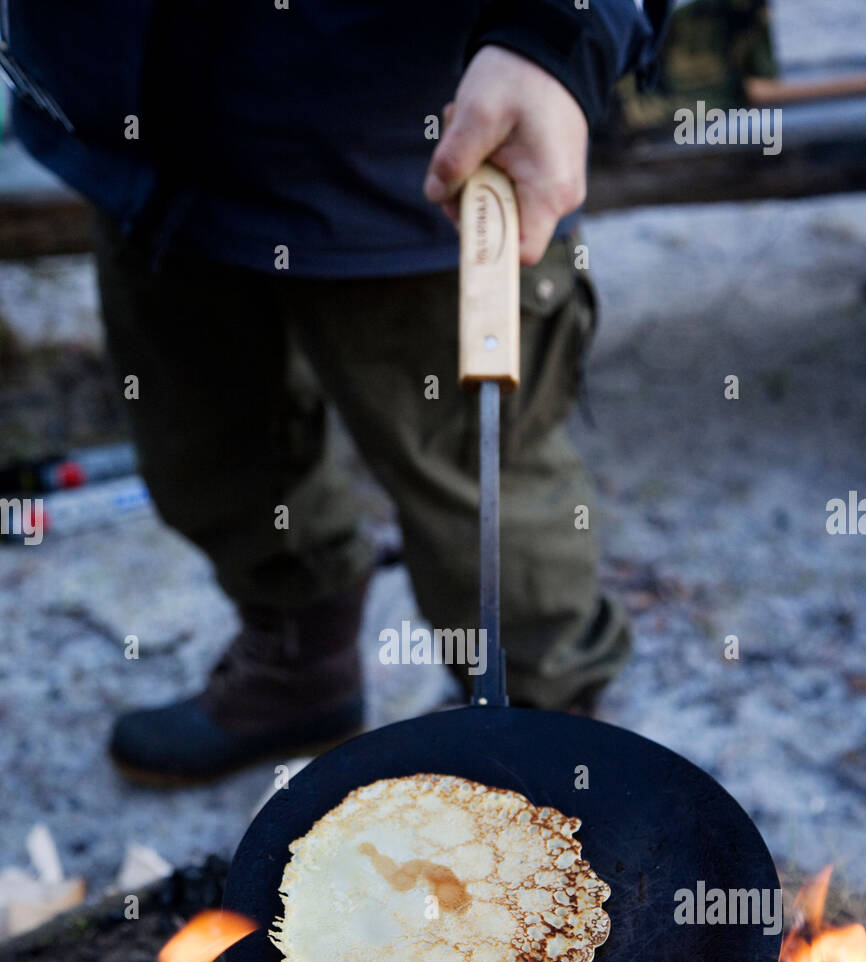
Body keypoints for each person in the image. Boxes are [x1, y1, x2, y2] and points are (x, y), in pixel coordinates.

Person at [7, 1, 673, 782]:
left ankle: (539, 735)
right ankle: (299, 665)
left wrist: (556, 39)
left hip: (416, 153)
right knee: (203, 445)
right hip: (142, 140)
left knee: (477, 484)